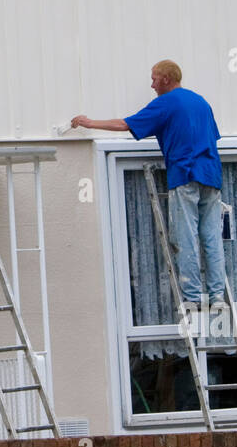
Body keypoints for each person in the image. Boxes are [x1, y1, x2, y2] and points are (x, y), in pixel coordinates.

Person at [71, 60, 226, 312]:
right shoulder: (201, 102)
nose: (152, 84)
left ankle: (194, 298)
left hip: (185, 174)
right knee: (211, 237)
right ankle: (218, 297)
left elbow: (125, 125)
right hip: (212, 176)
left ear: (166, 79)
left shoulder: (167, 102)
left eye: (154, 79)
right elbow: (209, 137)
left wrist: (90, 123)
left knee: (185, 237)